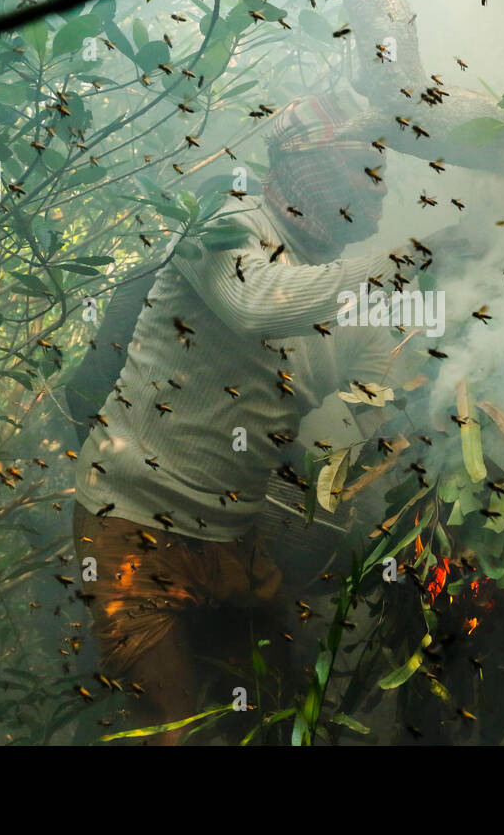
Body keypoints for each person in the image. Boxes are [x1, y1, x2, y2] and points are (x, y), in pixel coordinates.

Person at [71, 93, 429, 742]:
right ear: (309, 167)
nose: (376, 191)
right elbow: (259, 305)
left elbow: (377, 396)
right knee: (171, 730)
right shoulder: (227, 222)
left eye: (379, 172)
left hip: (235, 540)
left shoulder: (346, 286)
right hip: (132, 528)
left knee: (265, 725)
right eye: (360, 170)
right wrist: (404, 263)